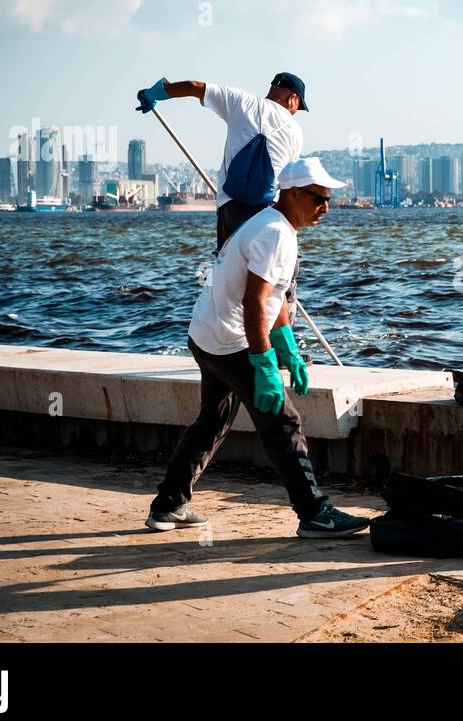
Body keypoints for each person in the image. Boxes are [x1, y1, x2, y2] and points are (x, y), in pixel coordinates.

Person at [145, 158, 371, 538]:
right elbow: (254, 301)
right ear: (294, 193)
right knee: (282, 422)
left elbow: (274, 298)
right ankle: (314, 514)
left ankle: (168, 506)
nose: (325, 209)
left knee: (212, 419)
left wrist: (289, 349)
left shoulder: (270, 224)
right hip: (231, 340)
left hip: (206, 335)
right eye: (319, 199)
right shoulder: (275, 234)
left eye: (329, 200)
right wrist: (264, 363)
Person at [136, 72, 309, 250]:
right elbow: (290, 183)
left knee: (229, 266)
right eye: (299, 106)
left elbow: (193, 86)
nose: (296, 112)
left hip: (230, 206)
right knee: (264, 267)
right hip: (268, 210)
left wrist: (155, 93)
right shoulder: (295, 131)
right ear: (292, 98)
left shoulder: (242, 101)